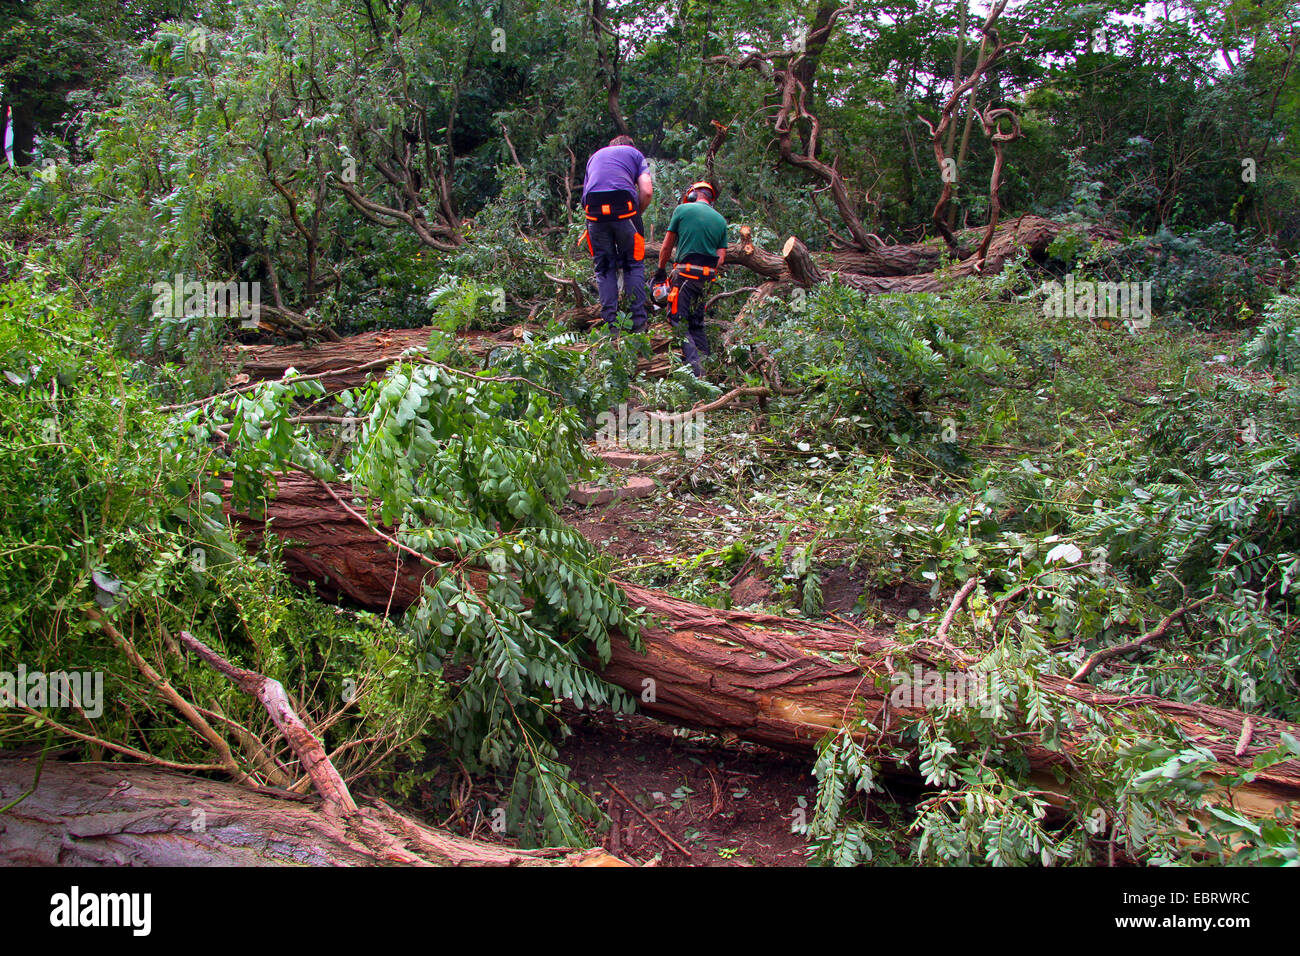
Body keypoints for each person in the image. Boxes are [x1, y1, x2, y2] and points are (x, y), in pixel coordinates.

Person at [653, 181, 727, 377]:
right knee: (696, 324)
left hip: (684, 274)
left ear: (693, 195)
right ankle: (710, 374)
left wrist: (660, 271)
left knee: (677, 320)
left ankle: (697, 374)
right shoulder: (720, 221)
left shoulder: (682, 210)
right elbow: (720, 259)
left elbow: (667, 247)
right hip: (704, 280)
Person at [581, 135, 653, 333]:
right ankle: (638, 324)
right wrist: (634, 215)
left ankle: (611, 327)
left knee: (604, 268)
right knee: (633, 264)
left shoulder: (594, 157)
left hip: (594, 212)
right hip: (625, 207)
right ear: (630, 147)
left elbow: (585, 197)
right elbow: (646, 191)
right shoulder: (635, 154)